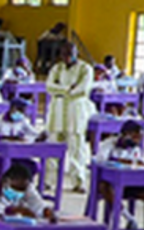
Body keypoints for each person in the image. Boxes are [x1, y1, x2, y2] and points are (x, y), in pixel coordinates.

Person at [45, 42, 95, 192]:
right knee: (52, 145)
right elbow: (49, 86)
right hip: (58, 109)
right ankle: (48, 180)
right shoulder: (57, 68)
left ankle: (79, 182)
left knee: (77, 147)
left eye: (70, 54)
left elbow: (82, 89)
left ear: (76, 53)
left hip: (76, 109)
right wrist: (67, 88)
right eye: (64, 54)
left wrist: (60, 89)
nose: (67, 57)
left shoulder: (85, 68)